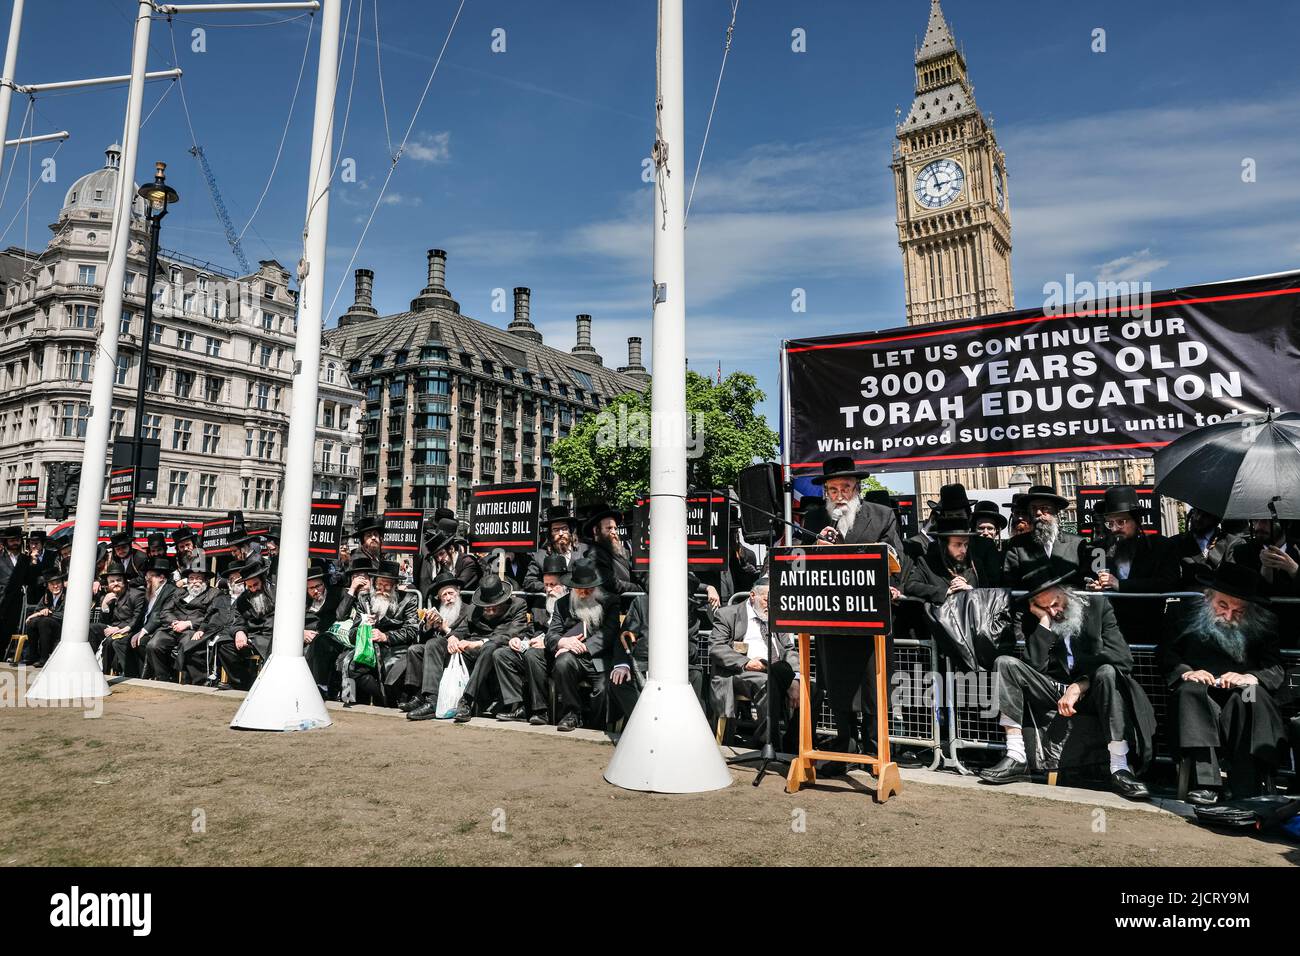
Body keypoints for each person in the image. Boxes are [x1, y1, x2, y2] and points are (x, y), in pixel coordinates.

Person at [979, 558, 1156, 799]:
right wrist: (1043, 624)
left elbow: (1122, 658)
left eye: (1056, 603)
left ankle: (1119, 767)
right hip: (1054, 689)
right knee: (1005, 664)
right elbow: (1034, 667)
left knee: (1107, 672)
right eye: (1046, 608)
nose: (1055, 612)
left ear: (1067, 594)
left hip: (1094, 689)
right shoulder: (1041, 619)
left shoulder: (1097, 606)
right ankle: (1016, 756)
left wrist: (1080, 685)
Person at [1161, 564, 1289, 805]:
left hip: (1240, 692)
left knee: (1250, 696)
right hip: (1200, 689)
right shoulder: (1183, 613)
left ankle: (1247, 784)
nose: (1229, 616)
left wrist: (1252, 677)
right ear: (1209, 597)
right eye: (1222, 606)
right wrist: (1187, 672)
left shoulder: (1263, 624)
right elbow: (1167, 655)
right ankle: (1206, 783)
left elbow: (1275, 667)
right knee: (1189, 692)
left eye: (1238, 611)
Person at [808, 456, 904, 770]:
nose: (839, 495)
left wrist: (890, 584)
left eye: (845, 488)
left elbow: (896, 559)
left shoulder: (881, 515)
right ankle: (844, 749)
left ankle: (876, 753)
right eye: (833, 489)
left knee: (874, 687)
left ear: (857, 488)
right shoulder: (812, 519)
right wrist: (813, 546)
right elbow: (794, 562)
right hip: (830, 619)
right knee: (837, 687)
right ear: (826, 492)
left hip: (871, 618)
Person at [708, 577, 797, 744]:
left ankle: (793, 746)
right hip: (743, 671)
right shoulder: (729, 614)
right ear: (752, 595)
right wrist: (745, 662)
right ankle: (768, 744)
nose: (770, 605)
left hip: (778, 670)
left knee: (812, 691)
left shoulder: (775, 616)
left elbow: (789, 650)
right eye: (766, 599)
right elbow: (716, 647)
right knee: (768, 685)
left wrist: (796, 678)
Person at [1082, 485, 1178, 641]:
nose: (1114, 529)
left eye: (1121, 522)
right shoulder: (1098, 550)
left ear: (1137, 520)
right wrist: (1091, 585)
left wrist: (1121, 585)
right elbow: (1090, 576)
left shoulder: (1160, 547)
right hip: (1110, 633)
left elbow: (1168, 582)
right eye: (1110, 523)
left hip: (1148, 627)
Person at [438, 573, 531, 722]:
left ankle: (466, 700)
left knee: (490, 647)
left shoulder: (518, 605)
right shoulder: (475, 608)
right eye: (485, 607)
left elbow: (511, 634)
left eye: (494, 607)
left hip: (498, 647)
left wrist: (478, 643)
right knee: (447, 648)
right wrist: (453, 637)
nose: (489, 610)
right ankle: (437, 700)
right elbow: (463, 629)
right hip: (475, 648)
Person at [546, 558, 622, 732]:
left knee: (603, 688)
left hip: (600, 658)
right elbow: (551, 635)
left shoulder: (611, 602)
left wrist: (585, 646)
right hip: (574, 658)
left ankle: (594, 726)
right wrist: (563, 642)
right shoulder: (563, 603)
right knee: (562, 663)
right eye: (579, 588)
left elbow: (609, 633)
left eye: (588, 588)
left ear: (596, 586)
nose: (583, 592)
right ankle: (572, 714)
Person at [492, 555, 566, 725]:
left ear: (563, 585)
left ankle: (540, 711)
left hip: (558, 653)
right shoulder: (540, 603)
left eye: (553, 585)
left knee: (533, 655)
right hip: (534, 650)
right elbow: (531, 629)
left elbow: (572, 633)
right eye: (546, 585)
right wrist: (520, 639)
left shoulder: (570, 604)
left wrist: (546, 643)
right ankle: (519, 707)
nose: (548, 590)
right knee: (501, 654)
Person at [335, 560, 419, 706]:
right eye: (379, 584)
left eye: (386, 586)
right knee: (350, 665)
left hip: (396, 647)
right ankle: (376, 699)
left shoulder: (408, 600)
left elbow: (411, 630)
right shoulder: (365, 599)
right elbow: (352, 634)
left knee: (390, 669)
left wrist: (385, 636)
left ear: (394, 586)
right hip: (368, 647)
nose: (381, 589)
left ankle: (389, 702)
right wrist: (363, 626)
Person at [400, 571, 471, 716]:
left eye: (451, 593)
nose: (448, 598)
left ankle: (432, 700)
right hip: (437, 649)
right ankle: (418, 696)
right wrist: (428, 626)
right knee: (414, 650)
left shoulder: (468, 610)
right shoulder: (439, 611)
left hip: (459, 650)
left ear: (458, 592)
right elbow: (423, 639)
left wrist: (446, 630)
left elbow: (464, 634)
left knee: (433, 643)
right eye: (444, 595)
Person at [150, 560, 230, 684]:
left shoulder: (214, 594)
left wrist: (188, 624)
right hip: (172, 628)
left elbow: (212, 616)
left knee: (187, 645)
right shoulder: (179, 592)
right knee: (153, 644)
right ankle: (163, 678)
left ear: (206, 580)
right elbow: (165, 611)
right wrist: (174, 622)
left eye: (198, 579)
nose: (194, 582)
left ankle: (192, 681)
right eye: (191, 578)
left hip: (194, 630)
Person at [904, 514, 1000, 607]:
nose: (963, 550)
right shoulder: (927, 563)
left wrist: (970, 589)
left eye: (966, 544)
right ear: (944, 545)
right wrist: (946, 591)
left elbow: (988, 592)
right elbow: (911, 585)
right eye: (957, 545)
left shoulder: (975, 563)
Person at [1001, 484, 1085, 588]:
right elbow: (1010, 583)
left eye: (1044, 508)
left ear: (1056, 511)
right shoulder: (1016, 545)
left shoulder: (1076, 543)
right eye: (1033, 508)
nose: (1038, 513)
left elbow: (1085, 580)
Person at [216, 557, 275, 690]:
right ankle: (244, 683)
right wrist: (239, 632)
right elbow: (237, 620)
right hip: (252, 638)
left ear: (263, 581)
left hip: (272, 638)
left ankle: (266, 685)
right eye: (249, 586)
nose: (253, 589)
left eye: (256, 585)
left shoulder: (277, 593)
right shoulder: (243, 599)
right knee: (224, 644)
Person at [113, 558, 177, 679]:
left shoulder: (171, 591)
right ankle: (132, 676)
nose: (146, 579)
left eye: (150, 577)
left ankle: (160, 676)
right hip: (145, 629)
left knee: (141, 642)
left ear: (161, 578)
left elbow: (160, 615)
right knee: (120, 642)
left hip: (159, 630)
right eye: (146, 577)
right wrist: (130, 629)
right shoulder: (150, 591)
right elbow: (141, 615)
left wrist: (143, 631)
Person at [88, 563, 144, 674]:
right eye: (112, 581)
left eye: (118, 580)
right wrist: (104, 605)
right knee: (91, 628)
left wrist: (118, 628)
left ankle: (112, 673)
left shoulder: (136, 595)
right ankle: (90, 664)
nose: (115, 584)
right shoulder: (107, 596)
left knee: (110, 641)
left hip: (131, 629)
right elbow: (104, 621)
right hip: (113, 628)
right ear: (108, 584)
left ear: (125, 581)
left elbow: (137, 619)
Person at [303, 562, 346, 696]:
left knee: (320, 641)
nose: (315, 591)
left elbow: (342, 614)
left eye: (318, 586)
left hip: (330, 640)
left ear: (324, 584)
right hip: (305, 640)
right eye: (310, 588)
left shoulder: (337, 595)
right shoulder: (302, 601)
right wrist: (301, 633)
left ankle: (320, 687)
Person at [1169, 507, 1240, 587]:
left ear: (1216, 519)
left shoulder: (1232, 543)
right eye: (1196, 512)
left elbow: (1233, 579)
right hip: (1191, 596)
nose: (1198, 518)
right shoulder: (1175, 542)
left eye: (1205, 515)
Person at [523, 505, 587, 591]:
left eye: (564, 528)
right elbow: (529, 582)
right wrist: (550, 588)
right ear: (550, 534)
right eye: (556, 530)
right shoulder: (540, 556)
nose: (561, 533)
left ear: (570, 531)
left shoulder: (584, 551)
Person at [585, 503, 639, 595]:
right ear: (596, 530)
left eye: (615, 528)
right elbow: (612, 584)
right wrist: (639, 589)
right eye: (609, 528)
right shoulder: (594, 555)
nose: (614, 532)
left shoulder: (622, 551)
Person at [21, 571, 66, 666]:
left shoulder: (67, 595)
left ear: (62, 583)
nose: (55, 586)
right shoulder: (47, 595)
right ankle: (32, 655)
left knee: (44, 621)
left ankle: (44, 658)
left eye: (58, 583)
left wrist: (49, 613)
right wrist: (39, 613)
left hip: (62, 627)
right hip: (47, 625)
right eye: (52, 584)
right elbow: (38, 610)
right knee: (31, 622)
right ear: (48, 586)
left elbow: (65, 615)